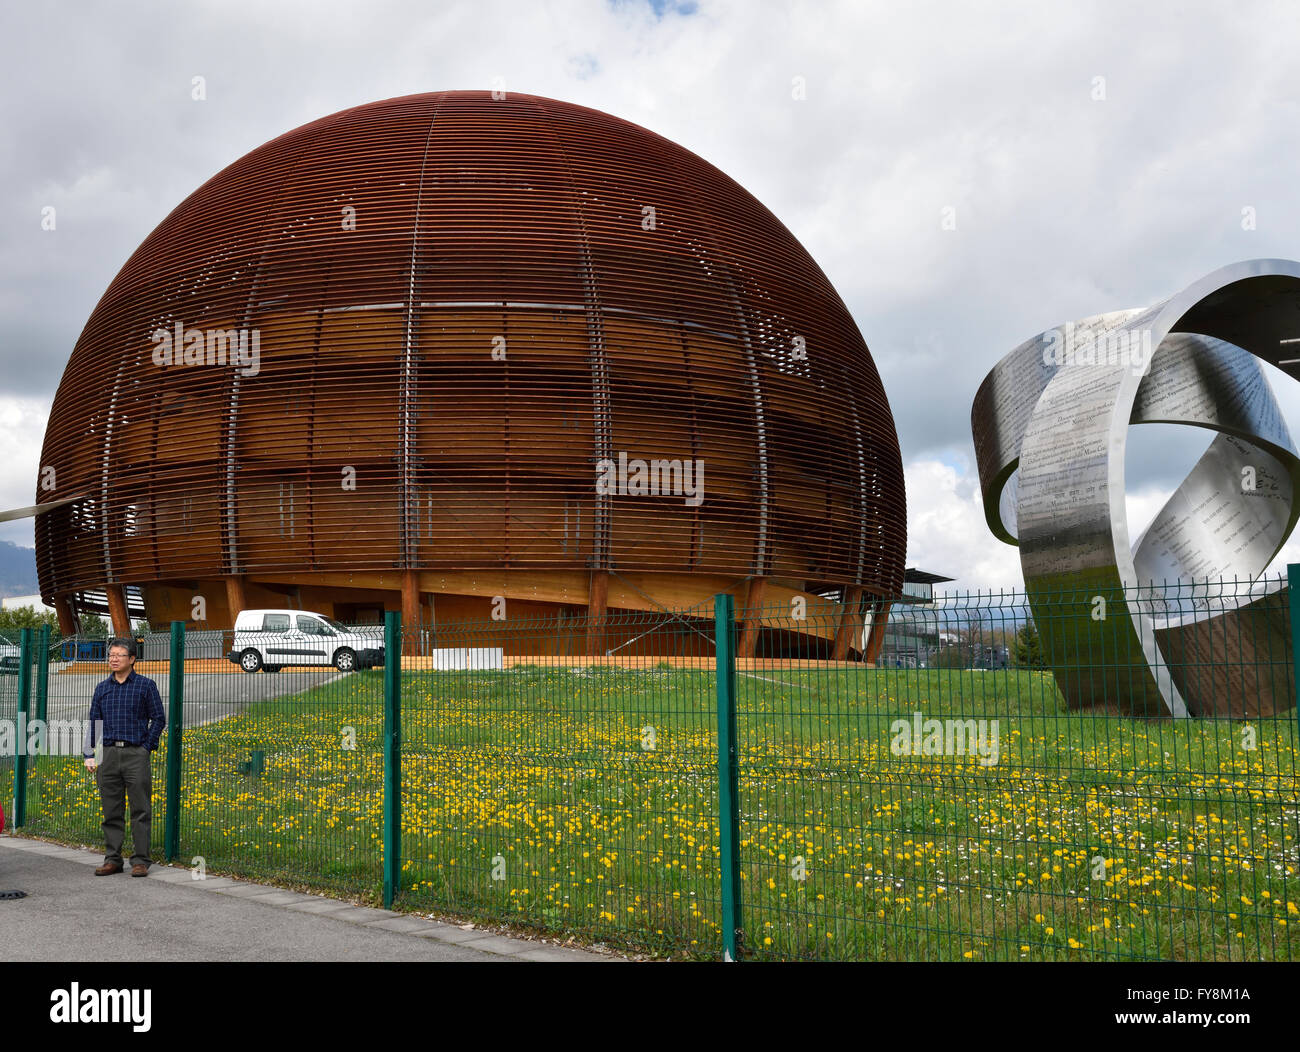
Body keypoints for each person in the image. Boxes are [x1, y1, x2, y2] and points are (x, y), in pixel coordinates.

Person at [82, 638, 165, 876]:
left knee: (140, 810)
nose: (114, 659)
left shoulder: (145, 686)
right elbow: (94, 724)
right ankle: (113, 859)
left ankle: (140, 861)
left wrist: (145, 747)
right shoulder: (102, 688)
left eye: (119, 655)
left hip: (135, 754)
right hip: (108, 755)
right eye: (111, 655)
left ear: (132, 659)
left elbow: (158, 718)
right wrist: (90, 754)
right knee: (111, 810)